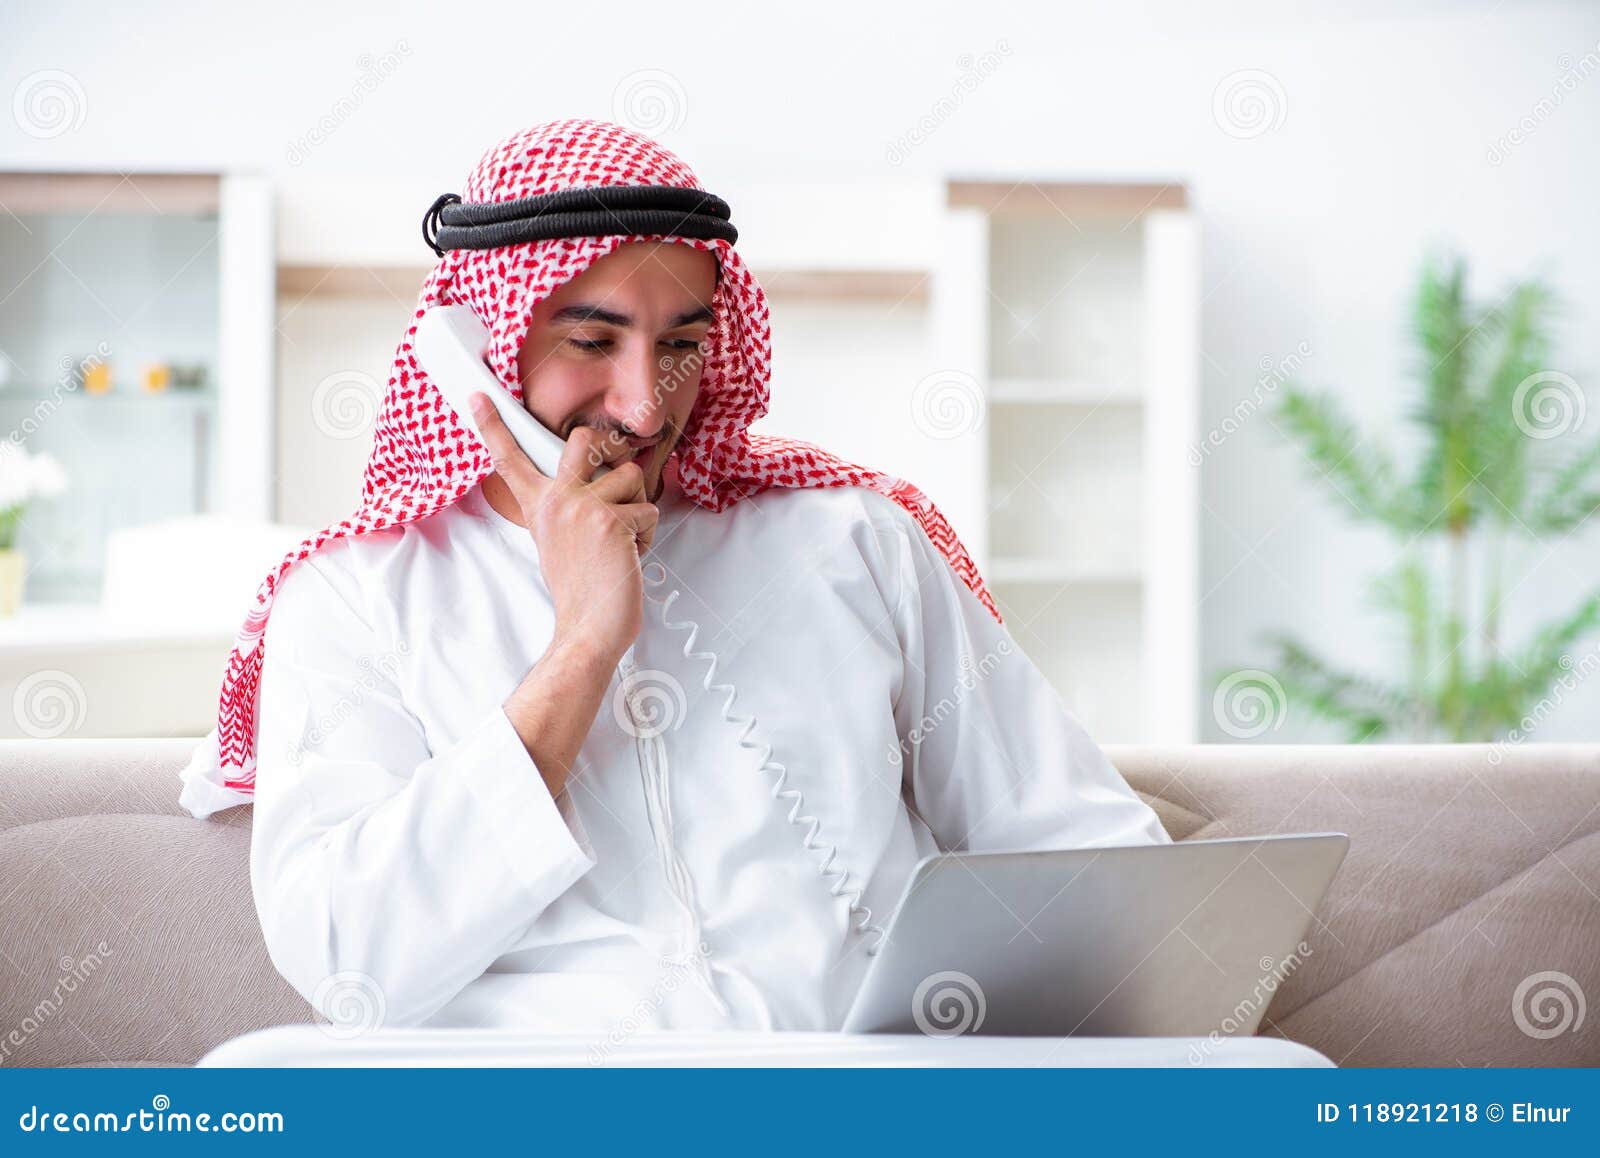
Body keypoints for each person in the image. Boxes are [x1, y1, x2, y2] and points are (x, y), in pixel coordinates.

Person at [177, 119, 1169, 1036]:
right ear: (481, 348)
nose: (645, 408)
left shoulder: (854, 542)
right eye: (591, 341)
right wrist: (581, 648)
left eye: (681, 346)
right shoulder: (354, 598)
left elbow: (1083, 846)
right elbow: (352, 961)